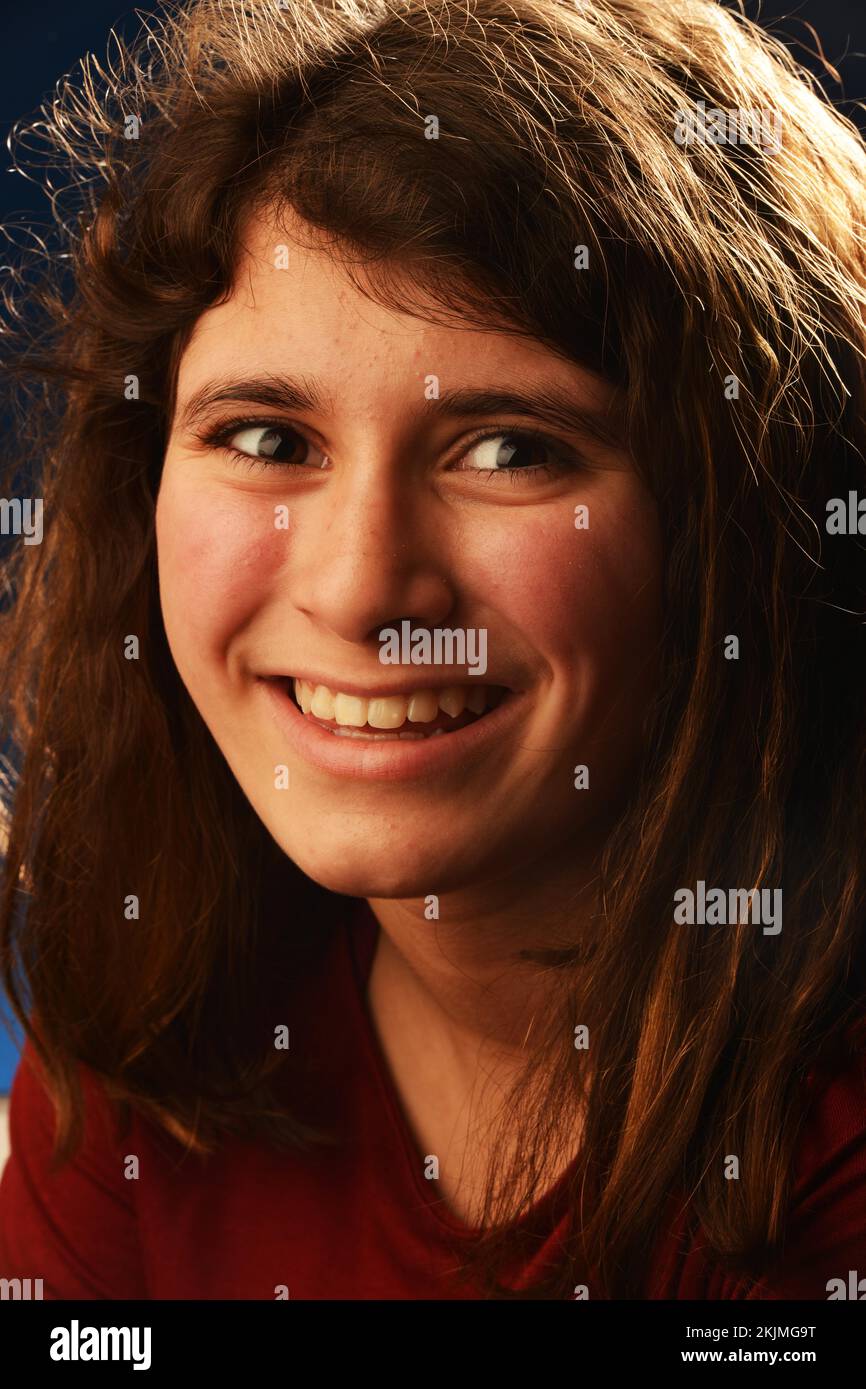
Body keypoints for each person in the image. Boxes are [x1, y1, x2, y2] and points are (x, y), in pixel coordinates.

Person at [1, 0, 865, 1300]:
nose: (359, 592)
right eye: (266, 438)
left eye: (509, 448)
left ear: (751, 527)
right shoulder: (162, 1024)